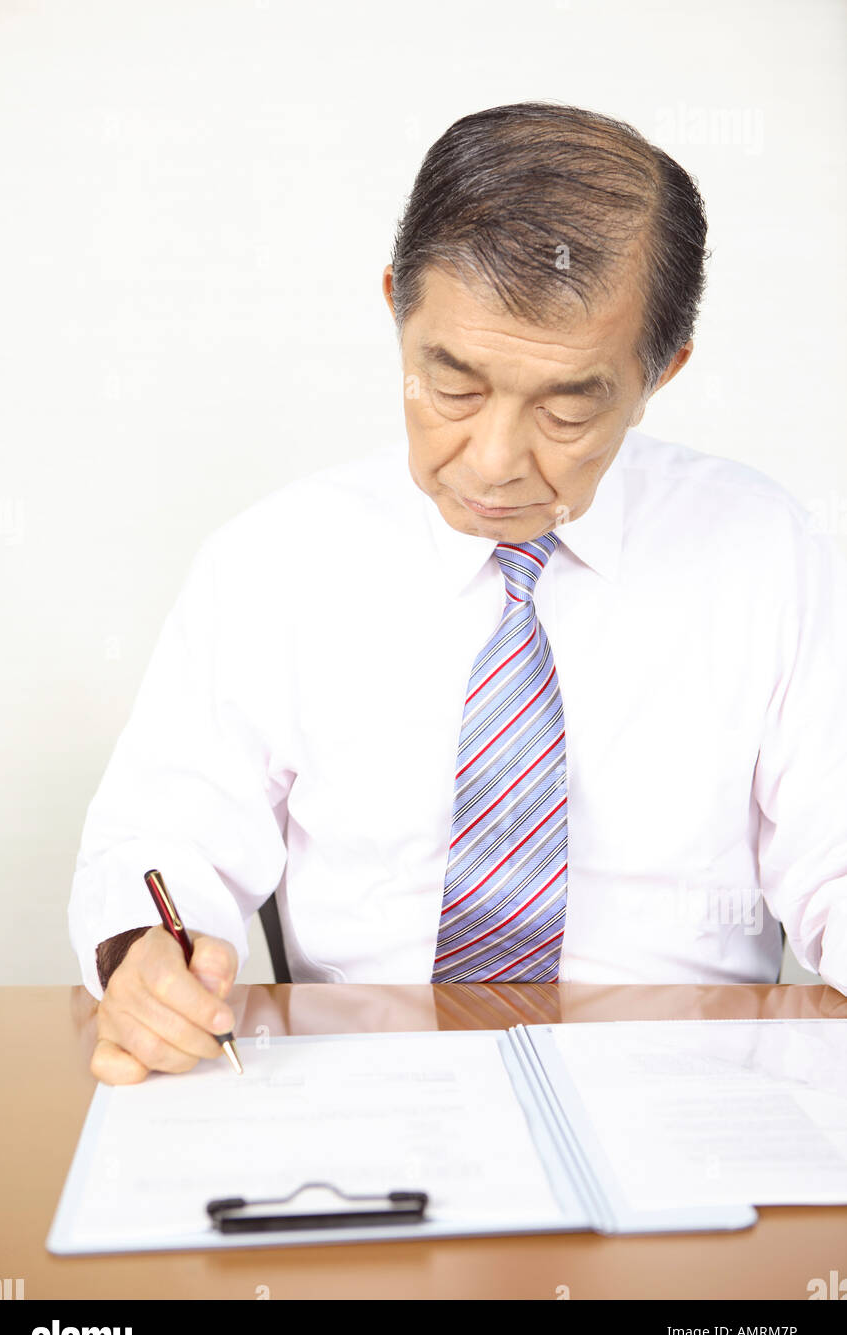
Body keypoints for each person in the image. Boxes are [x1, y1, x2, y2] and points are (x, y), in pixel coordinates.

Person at [69, 101, 847, 1085]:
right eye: (453, 386)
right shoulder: (276, 562)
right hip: (361, 1103)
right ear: (397, 307)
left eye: (567, 406)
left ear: (660, 372)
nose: (492, 461)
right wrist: (144, 954)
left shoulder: (764, 551)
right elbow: (165, 836)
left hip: (687, 1106)